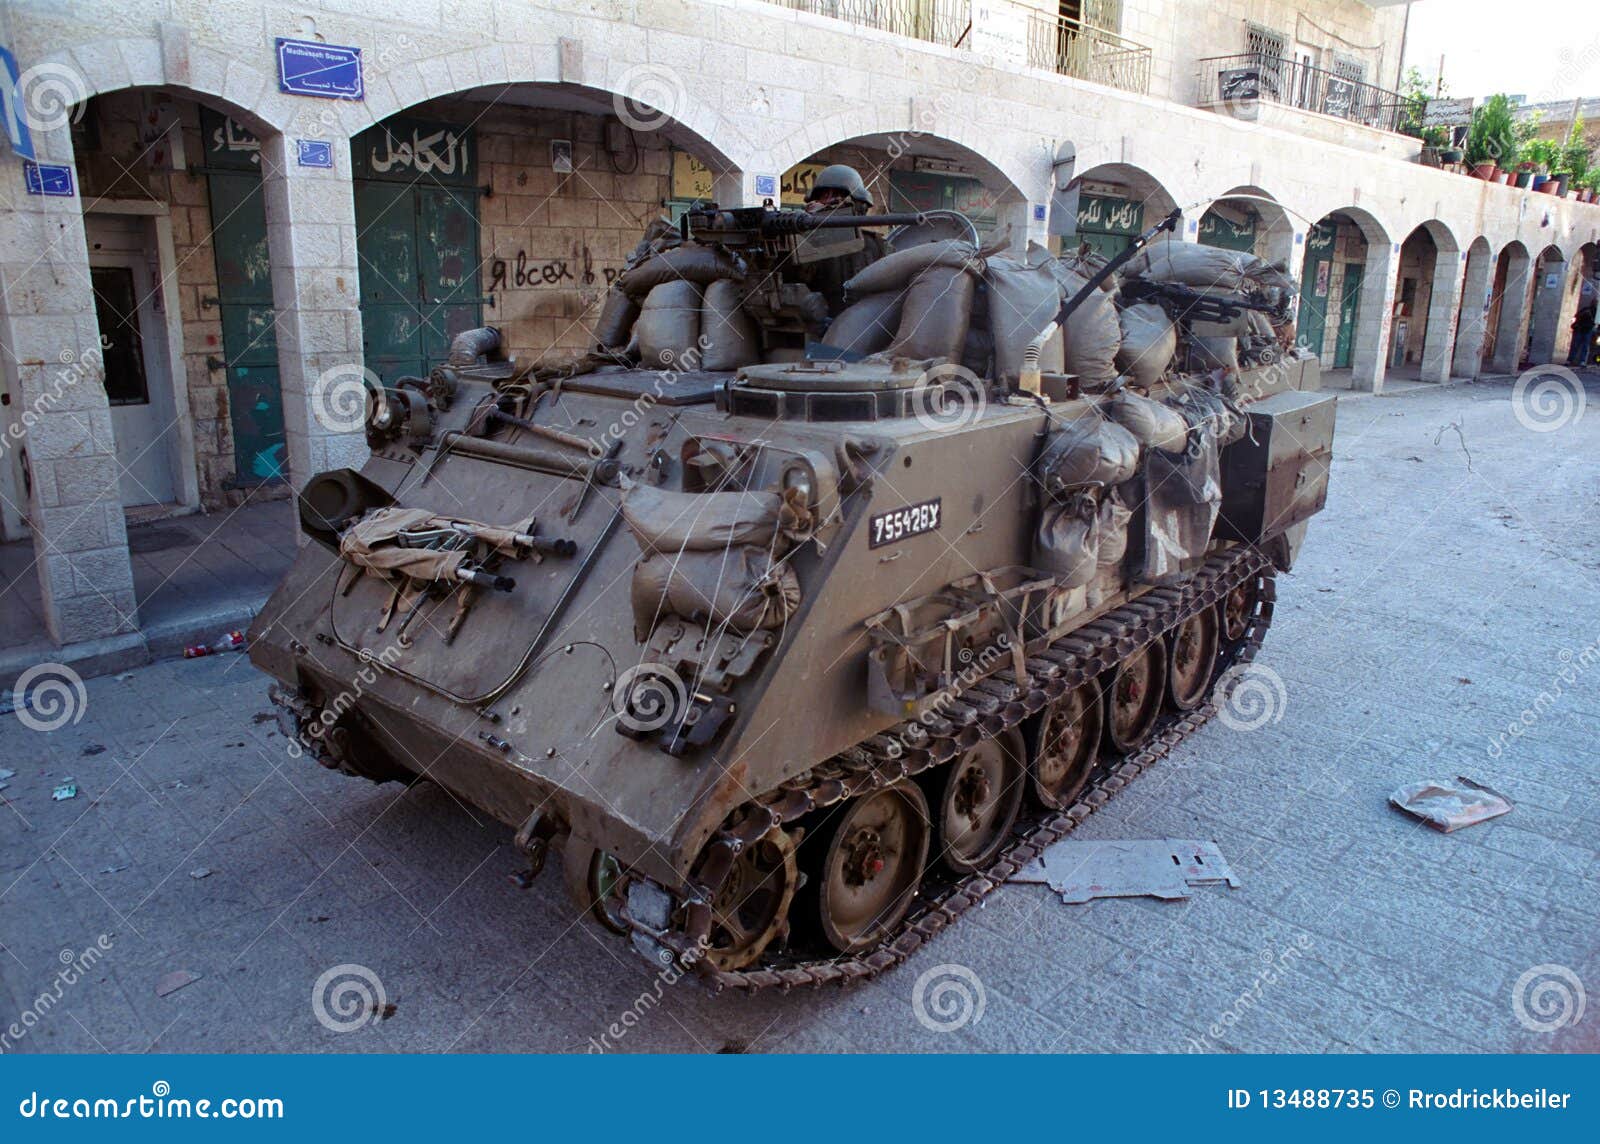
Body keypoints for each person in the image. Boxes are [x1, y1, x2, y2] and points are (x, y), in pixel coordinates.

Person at [797, 165, 888, 314]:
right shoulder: (806, 243)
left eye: (837, 197)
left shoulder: (876, 246)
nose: (829, 202)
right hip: (825, 330)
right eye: (824, 196)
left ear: (857, 204)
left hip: (867, 326)